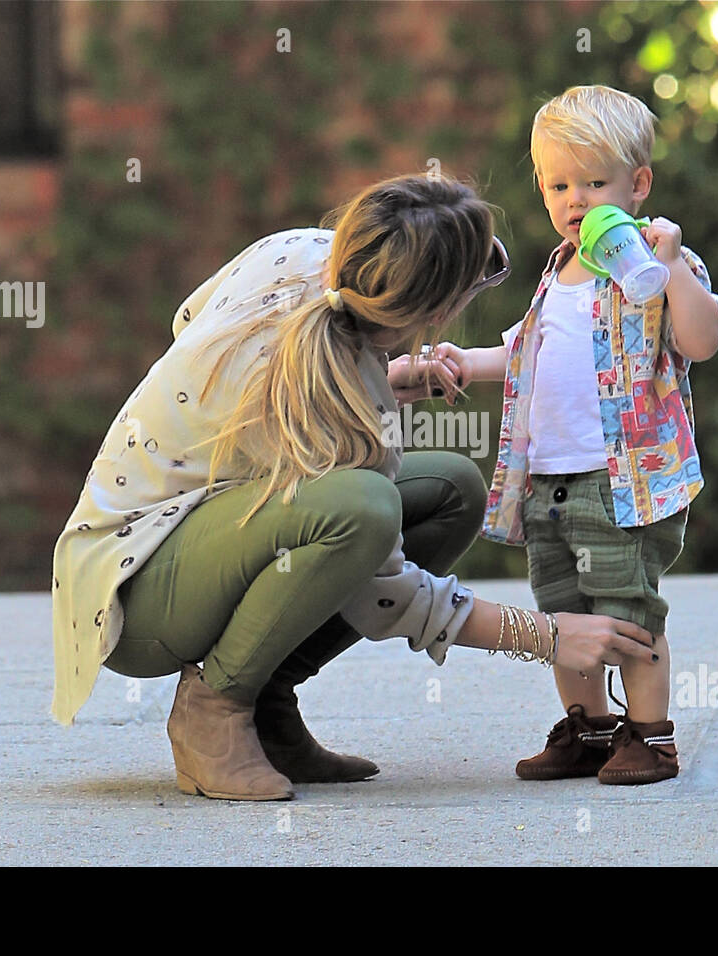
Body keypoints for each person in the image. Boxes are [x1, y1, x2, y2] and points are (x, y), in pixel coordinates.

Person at [50, 173, 664, 802]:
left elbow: (191, 319)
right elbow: (383, 591)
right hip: (134, 589)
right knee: (364, 512)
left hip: (192, 528)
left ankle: (267, 705)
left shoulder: (295, 249)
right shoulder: (339, 414)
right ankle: (214, 710)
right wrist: (546, 636)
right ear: (434, 313)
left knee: (449, 489)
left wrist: (368, 371)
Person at [430, 85, 718, 785]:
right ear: (540, 186)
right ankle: (589, 730)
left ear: (637, 185)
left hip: (623, 481)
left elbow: (703, 339)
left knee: (627, 610)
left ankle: (651, 737)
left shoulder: (652, 263)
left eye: (596, 183)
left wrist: (674, 265)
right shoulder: (556, 271)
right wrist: (463, 363)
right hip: (550, 480)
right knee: (562, 611)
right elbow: (527, 351)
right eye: (560, 184)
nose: (577, 201)